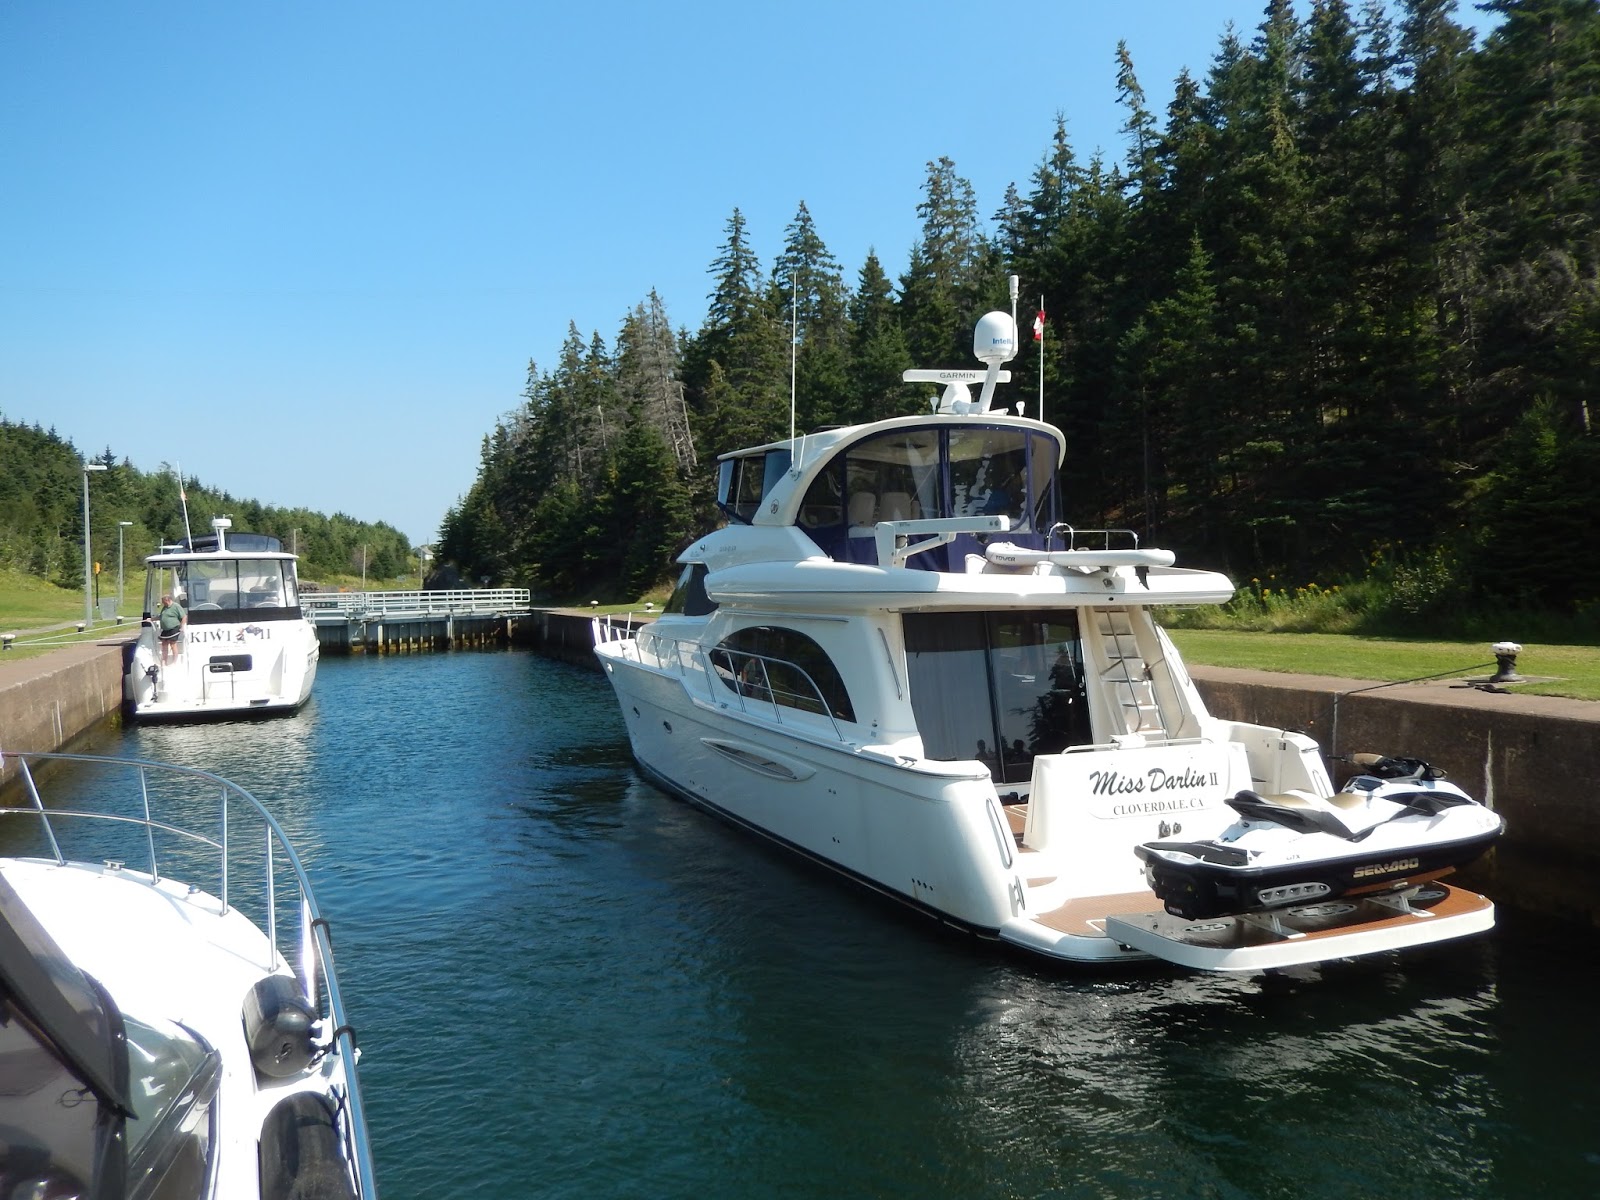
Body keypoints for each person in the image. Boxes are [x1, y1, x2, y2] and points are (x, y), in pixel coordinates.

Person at [158, 593, 185, 663]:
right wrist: (151, 619)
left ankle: (174, 661)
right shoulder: (165, 607)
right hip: (165, 629)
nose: (163, 603)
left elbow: (184, 616)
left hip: (174, 628)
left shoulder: (176, 606)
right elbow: (161, 616)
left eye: (164, 602)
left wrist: (182, 626)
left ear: (168, 600)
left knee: (173, 644)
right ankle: (164, 660)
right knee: (164, 643)